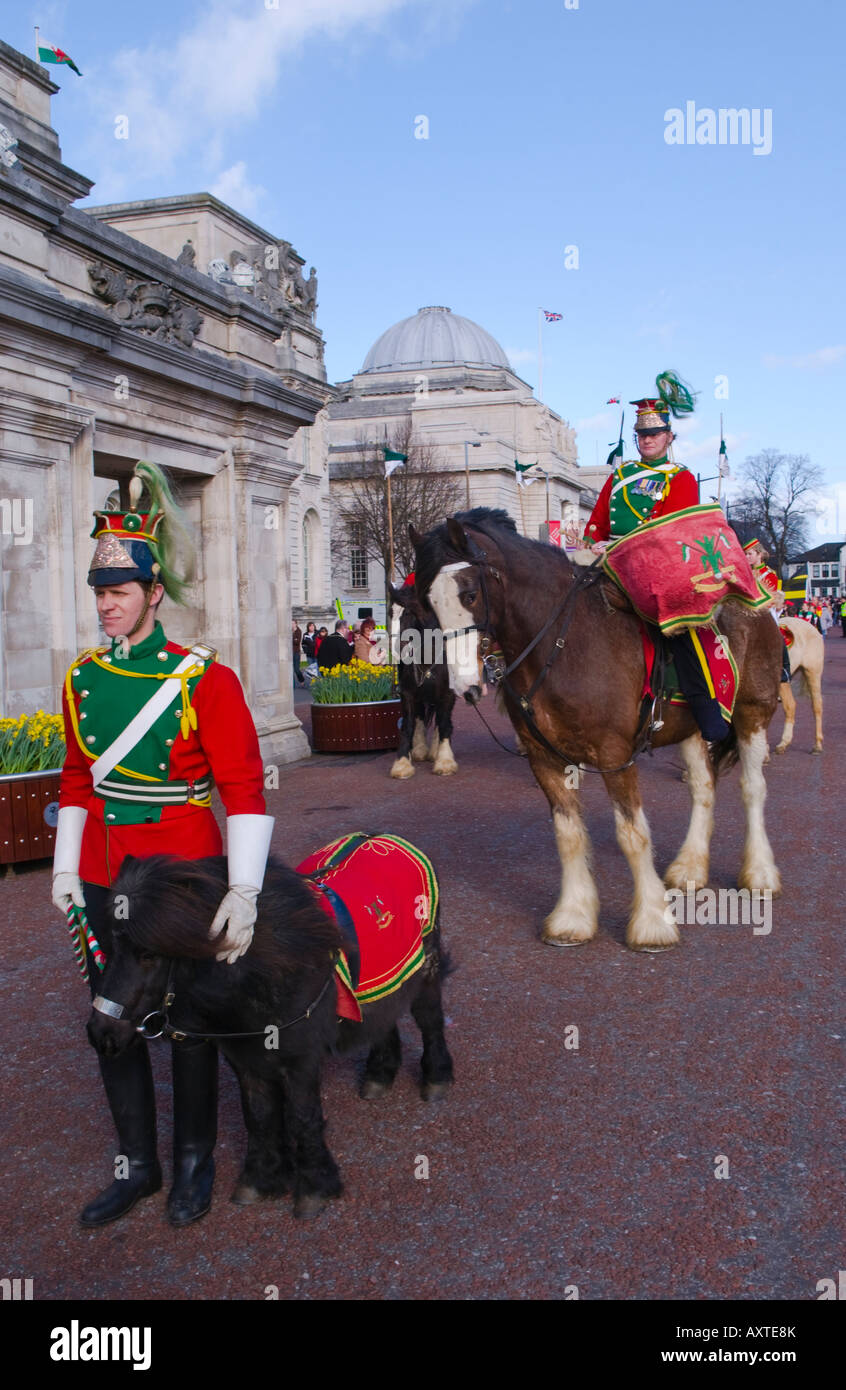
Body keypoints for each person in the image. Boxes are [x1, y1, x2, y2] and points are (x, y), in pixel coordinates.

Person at [51, 461, 274, 1229]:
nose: (106, 607)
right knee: (112, 1022)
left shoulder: (203, 680)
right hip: (102, 876)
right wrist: (63, 866)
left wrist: (241, 889)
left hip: (181, 877)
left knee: (187, 1024)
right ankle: (136, 1168)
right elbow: (79, 778)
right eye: (99, 594)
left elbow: (243, 788)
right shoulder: (82, 677)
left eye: (118, 593)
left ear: (153, 594)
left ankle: (191, 1167)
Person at [584, 372, 733, 742]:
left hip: (654, 566)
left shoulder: (680, 478)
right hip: (608, 564)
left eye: (654, 434)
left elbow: (671, 529)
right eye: (641, 434)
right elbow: (597, 521)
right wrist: (594, 542)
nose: (647, 440)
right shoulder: (619, 475)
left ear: (669, 437)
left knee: (679, 627)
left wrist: (623, 546)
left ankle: (702, 704)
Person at [292, 618, 305, 685]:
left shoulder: (298, 631)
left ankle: (302, 680)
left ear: (296, 624)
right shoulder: (289, 631)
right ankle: (292, 684)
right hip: (290, 653)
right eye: (291, 623)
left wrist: (293, 635)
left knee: (296, 669)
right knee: (290, 670)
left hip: (296, 652)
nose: (292, 625)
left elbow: (297, 642)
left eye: (293, 623)